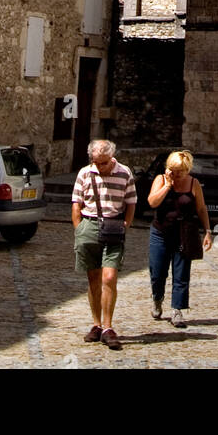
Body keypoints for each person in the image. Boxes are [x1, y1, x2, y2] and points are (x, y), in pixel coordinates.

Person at [71, 139, 137, 351]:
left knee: (109, 277)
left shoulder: (125, 173)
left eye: (104, 162)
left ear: (112, 157)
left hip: (113, 226)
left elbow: (131, 202)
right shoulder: (85, 173)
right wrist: (79, 228)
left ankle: (108, 328)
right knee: (93, 278)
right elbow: (76, 202)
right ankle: (96, 325)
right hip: (88, 225)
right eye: (96, 162)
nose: (100, 167)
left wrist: (126, 224)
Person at [146, 149, 212, 327]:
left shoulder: (194, 183)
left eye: (180, 171)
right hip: (160, 233)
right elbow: (152, 202)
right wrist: (167, 185)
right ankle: (157, 298)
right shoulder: (161, 180)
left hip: (184, 233)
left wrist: (207, 231)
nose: (176, 174)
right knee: (157, 272)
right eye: (173, 170)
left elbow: (201, 208)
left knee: (181, 273)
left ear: (187, 170)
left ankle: (177, 310)